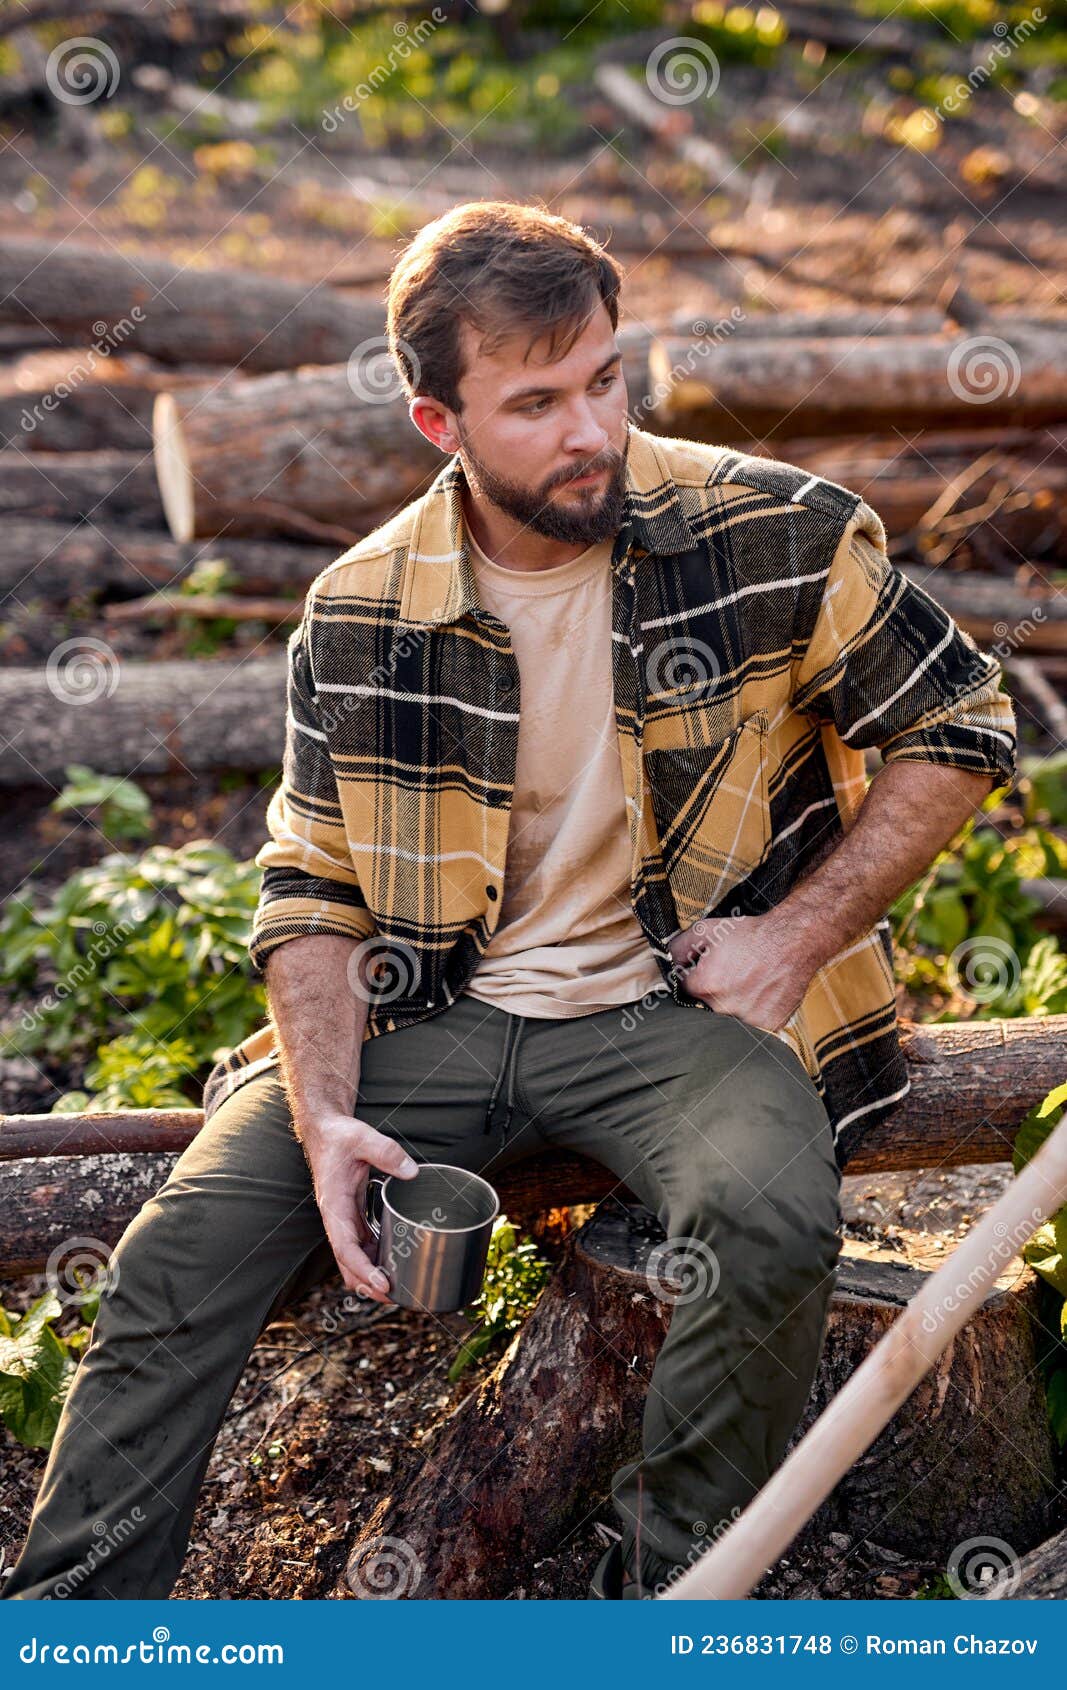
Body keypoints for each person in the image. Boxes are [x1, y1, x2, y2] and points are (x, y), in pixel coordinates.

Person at [4, 202, 1016, 1602]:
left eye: (604, 377)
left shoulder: (775, 530)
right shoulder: (361, 611)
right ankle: (74, 1630)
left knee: (772, 1216)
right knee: (173, 1258)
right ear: (440, 424)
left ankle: (678, 1607)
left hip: (680, 1008)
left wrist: (798, 934)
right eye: (536, 402)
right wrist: (323, 1108)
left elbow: (962, 721)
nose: (592, 428)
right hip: (433, 1013)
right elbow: (310, 881)